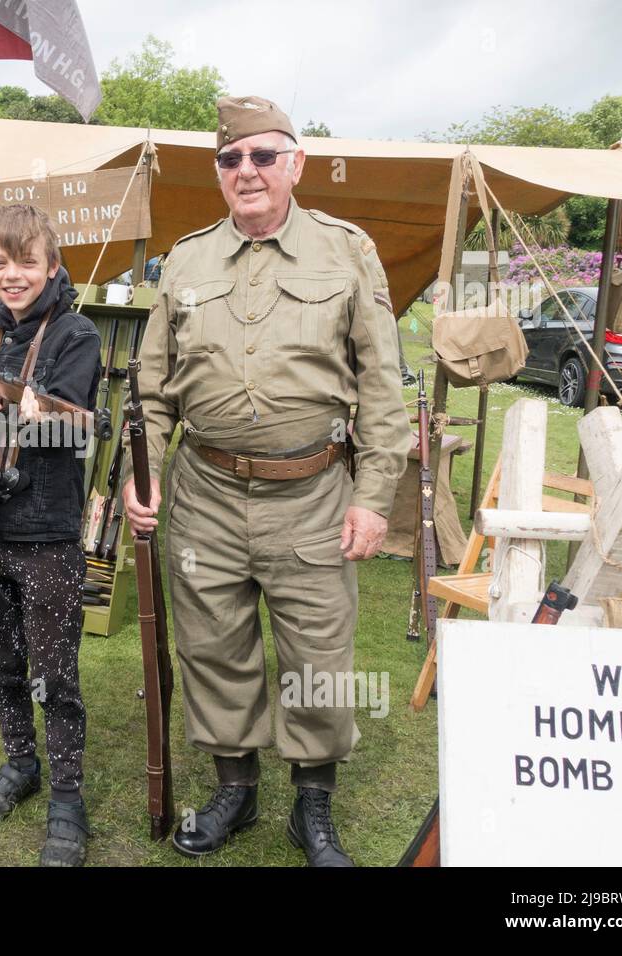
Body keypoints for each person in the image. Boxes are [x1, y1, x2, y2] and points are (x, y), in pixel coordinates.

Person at [122, 95, 410, 866]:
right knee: (214, 646)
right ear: (218, 171)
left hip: (313, 495)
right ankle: (235, 791)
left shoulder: (347, 251)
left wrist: (374, 498)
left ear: (296, 163)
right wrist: (137, 475)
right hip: (204, 493)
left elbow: (384, 386)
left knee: (317, 653)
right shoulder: (185, 259)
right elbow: (151, 389)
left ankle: (312, 805)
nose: (245, 171)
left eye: (261, 156)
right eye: (230, 159)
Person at [0, 204, 101, 866]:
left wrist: (37, 407)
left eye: (25, 263)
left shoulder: (77, 333)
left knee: (54, 672)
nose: (11, 276)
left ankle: (66, 796)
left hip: (49, 534)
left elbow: (75, 427)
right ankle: (20, 764)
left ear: (52, 267)